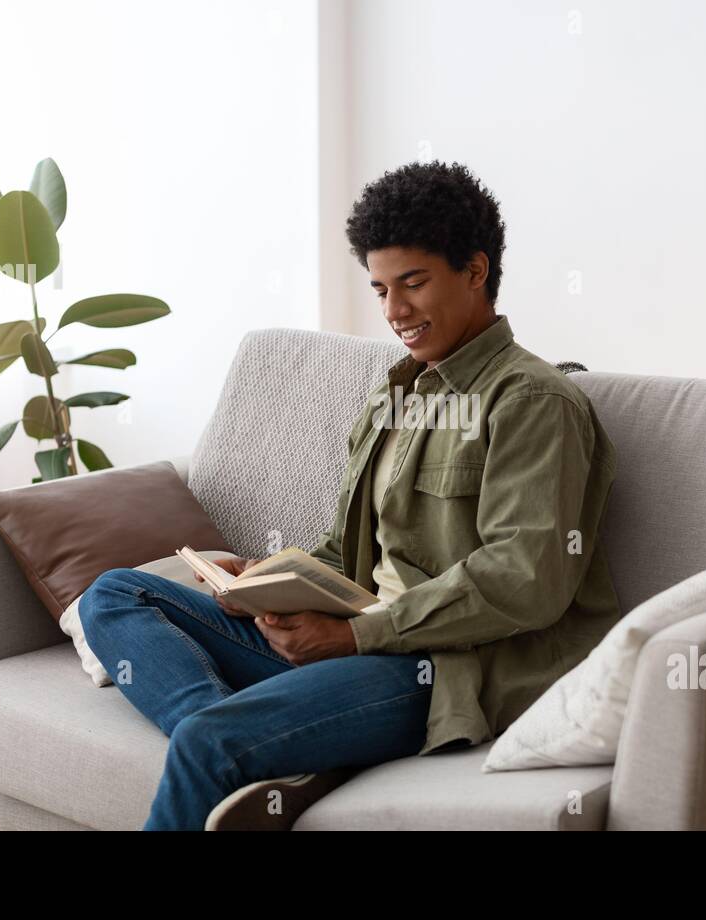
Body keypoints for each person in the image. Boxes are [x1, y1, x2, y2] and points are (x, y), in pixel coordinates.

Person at [78, 160, 621, 831]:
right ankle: (271, 747)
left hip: (436, 667)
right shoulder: (396, 393)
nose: (395, 312)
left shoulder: (532, 402)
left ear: (475, 272)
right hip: (357, 635)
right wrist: (272, 580)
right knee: (114, 594)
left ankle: (241, 740)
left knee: (205, 745)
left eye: (413, 283)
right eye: (381, 289)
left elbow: (524, 579)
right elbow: (349, 550)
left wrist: (358, 636)